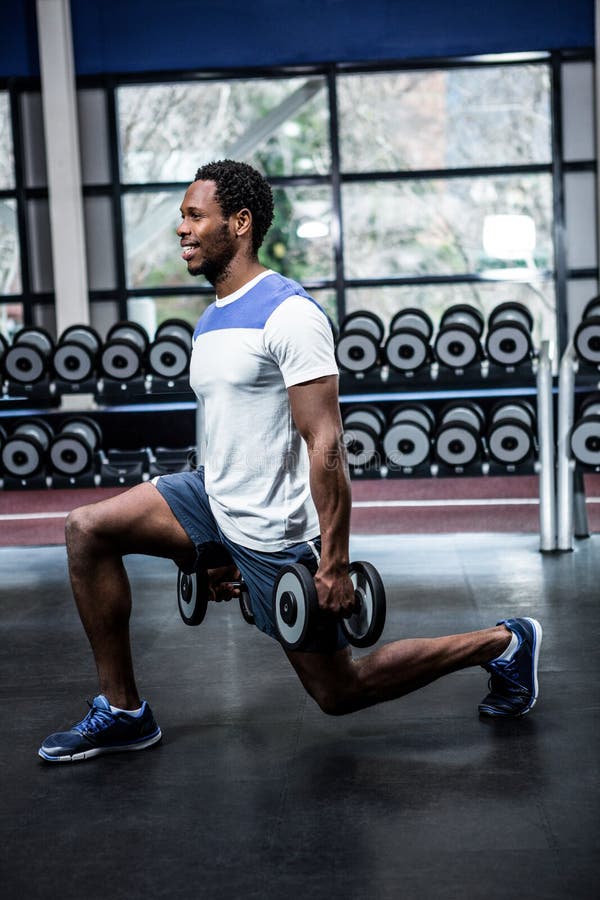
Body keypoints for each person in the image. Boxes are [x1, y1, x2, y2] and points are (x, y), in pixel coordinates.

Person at [39, 160, 542, 763]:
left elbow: (326, 442)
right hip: (213, 497)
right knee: (88, 528)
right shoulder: (211, 318)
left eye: (195, 216)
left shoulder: (290, 314)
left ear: (240, 223)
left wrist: (334, 562)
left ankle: (504, 643)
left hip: (275, 529)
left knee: (339, 692)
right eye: (182, 217)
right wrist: (206, 549)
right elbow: (228, 429)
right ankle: (124, 712)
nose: (181, 228)